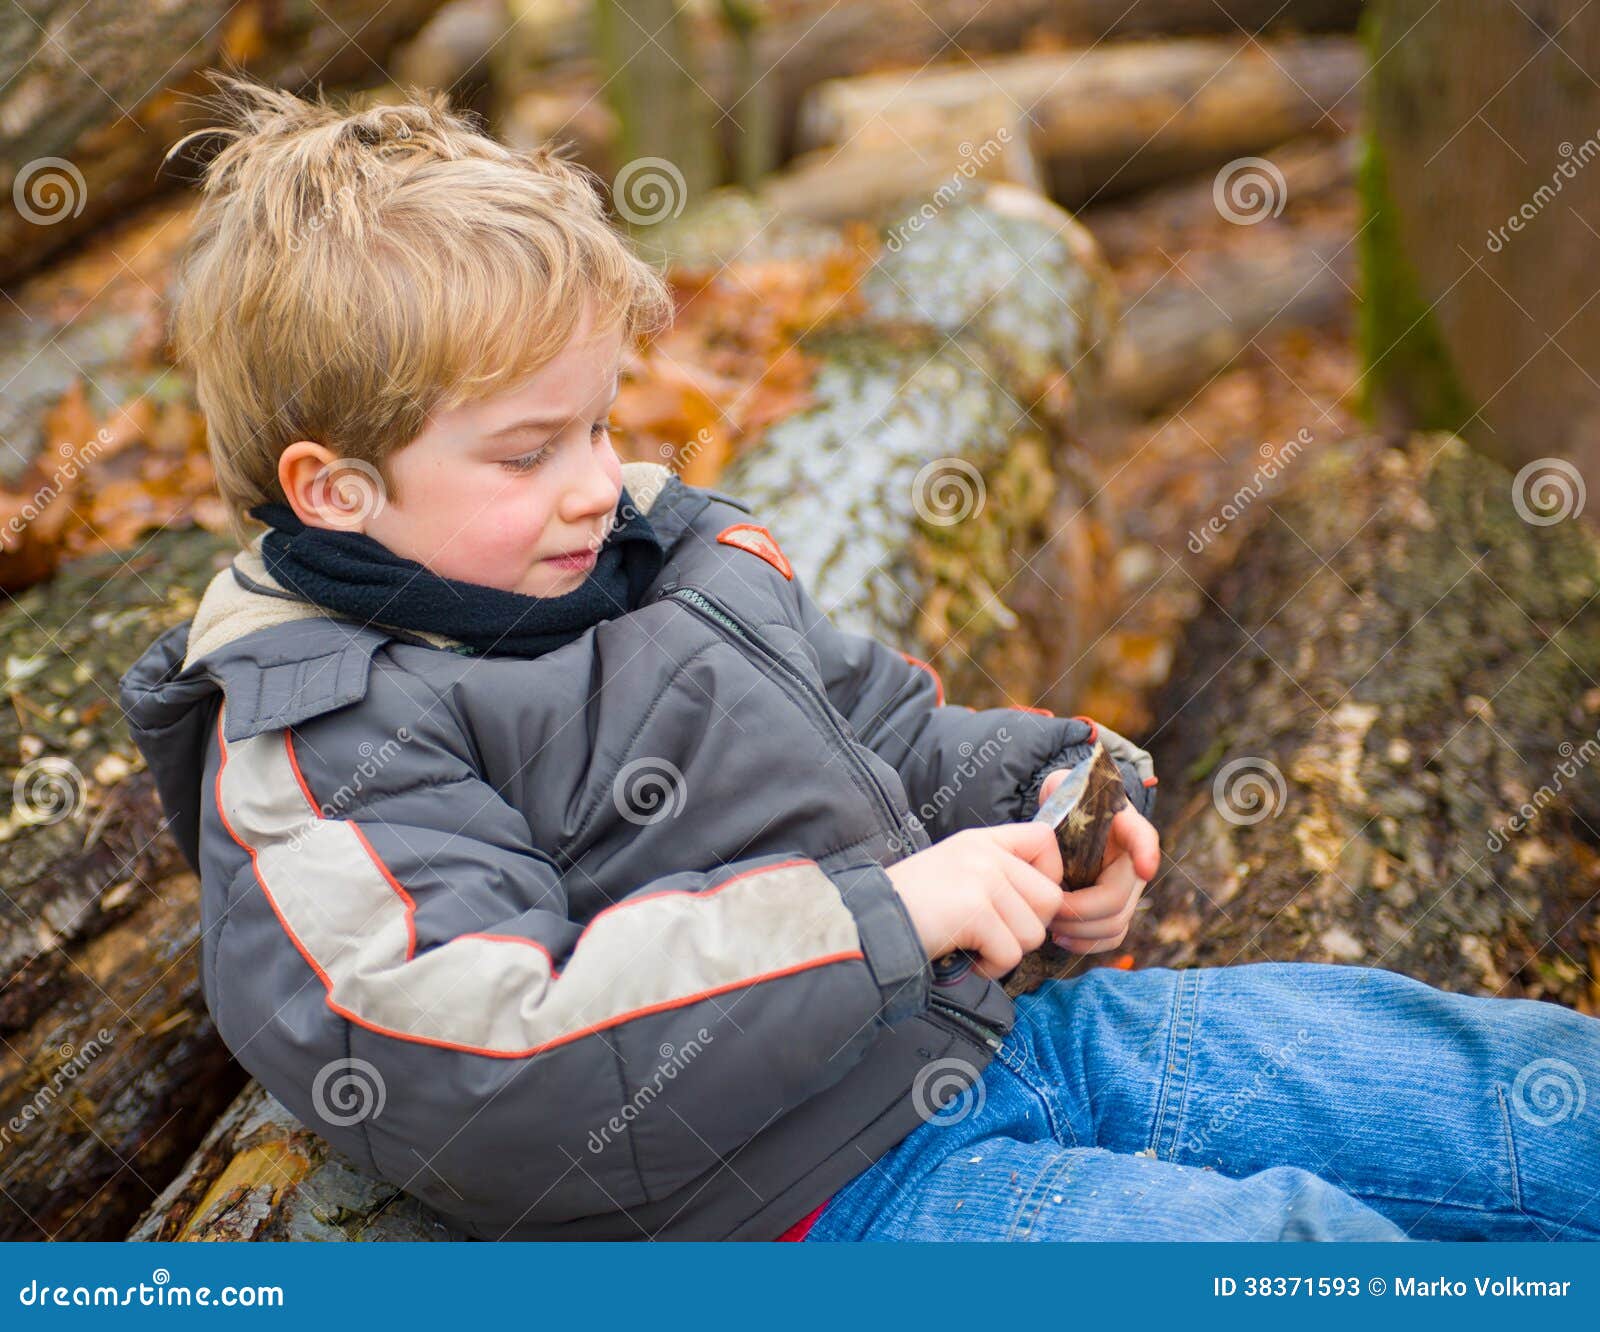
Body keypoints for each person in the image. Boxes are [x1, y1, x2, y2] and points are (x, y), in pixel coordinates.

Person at [120, 74, 1600, 1243]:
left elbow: (884, 736)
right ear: (334, 488)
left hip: (1010, 1034)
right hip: (816, 1212)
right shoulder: (322, 749)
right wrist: (882, 918)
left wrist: (1047, 798)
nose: (596, 478)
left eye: (599, 422)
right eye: (528, 451)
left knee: (1498, 1099)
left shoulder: (660, 561)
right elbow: (483, 1056)